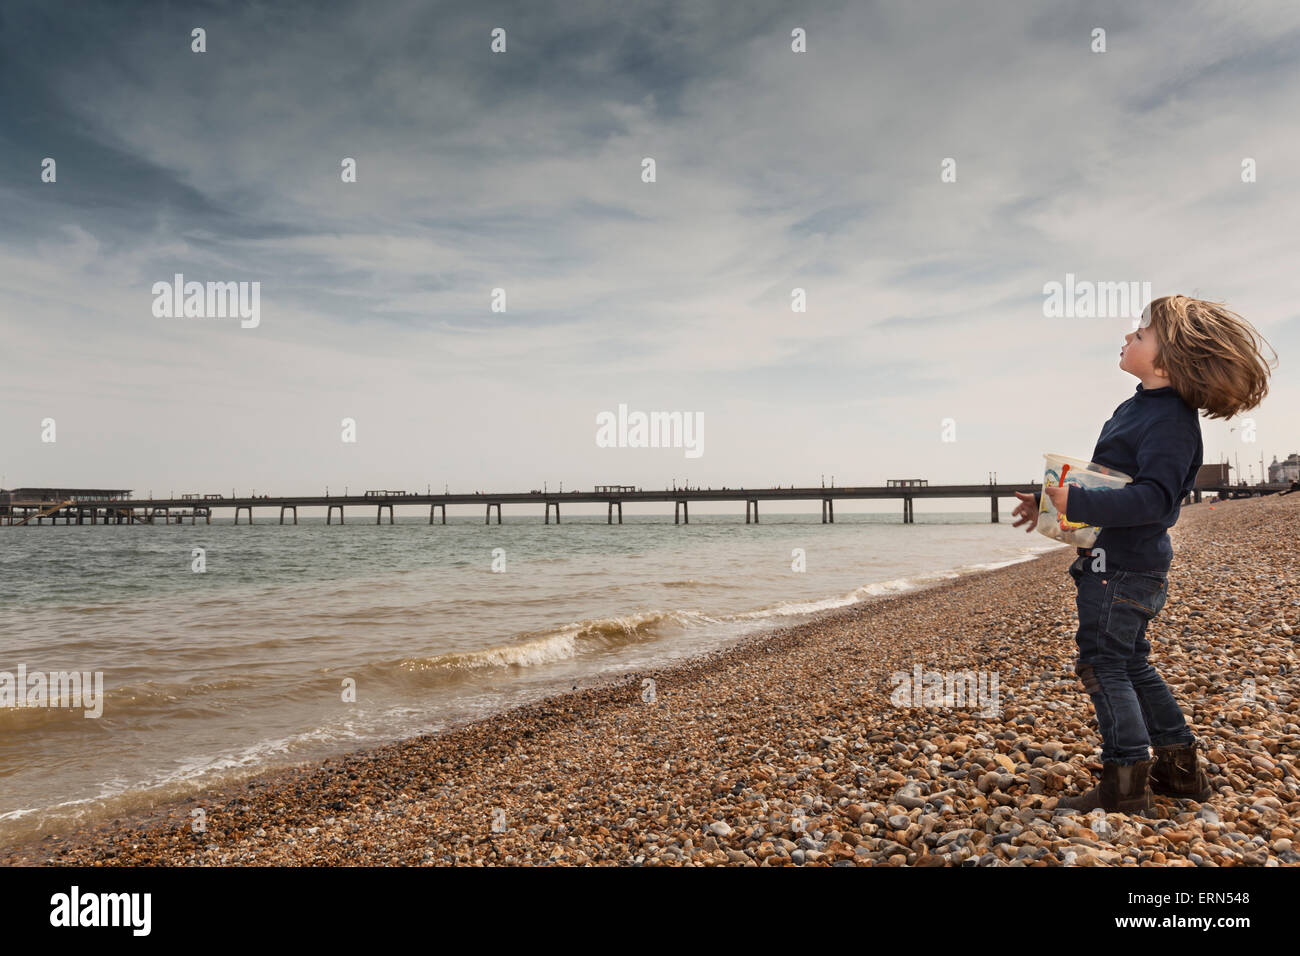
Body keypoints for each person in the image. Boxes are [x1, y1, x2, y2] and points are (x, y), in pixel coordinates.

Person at [1012, 295, 1275, 814]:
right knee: (1130, 662)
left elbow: (1154, 498)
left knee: (1102, 662)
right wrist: (1053, 504)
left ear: (1168, 358)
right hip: (1117, 560)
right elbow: (1116, 482)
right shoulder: (1138, 407)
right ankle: (1179, 772)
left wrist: (1080, 500)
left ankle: (1125, 782)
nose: (1127, 338)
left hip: (1125, 568)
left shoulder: (1171, 421)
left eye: (1139, 334)